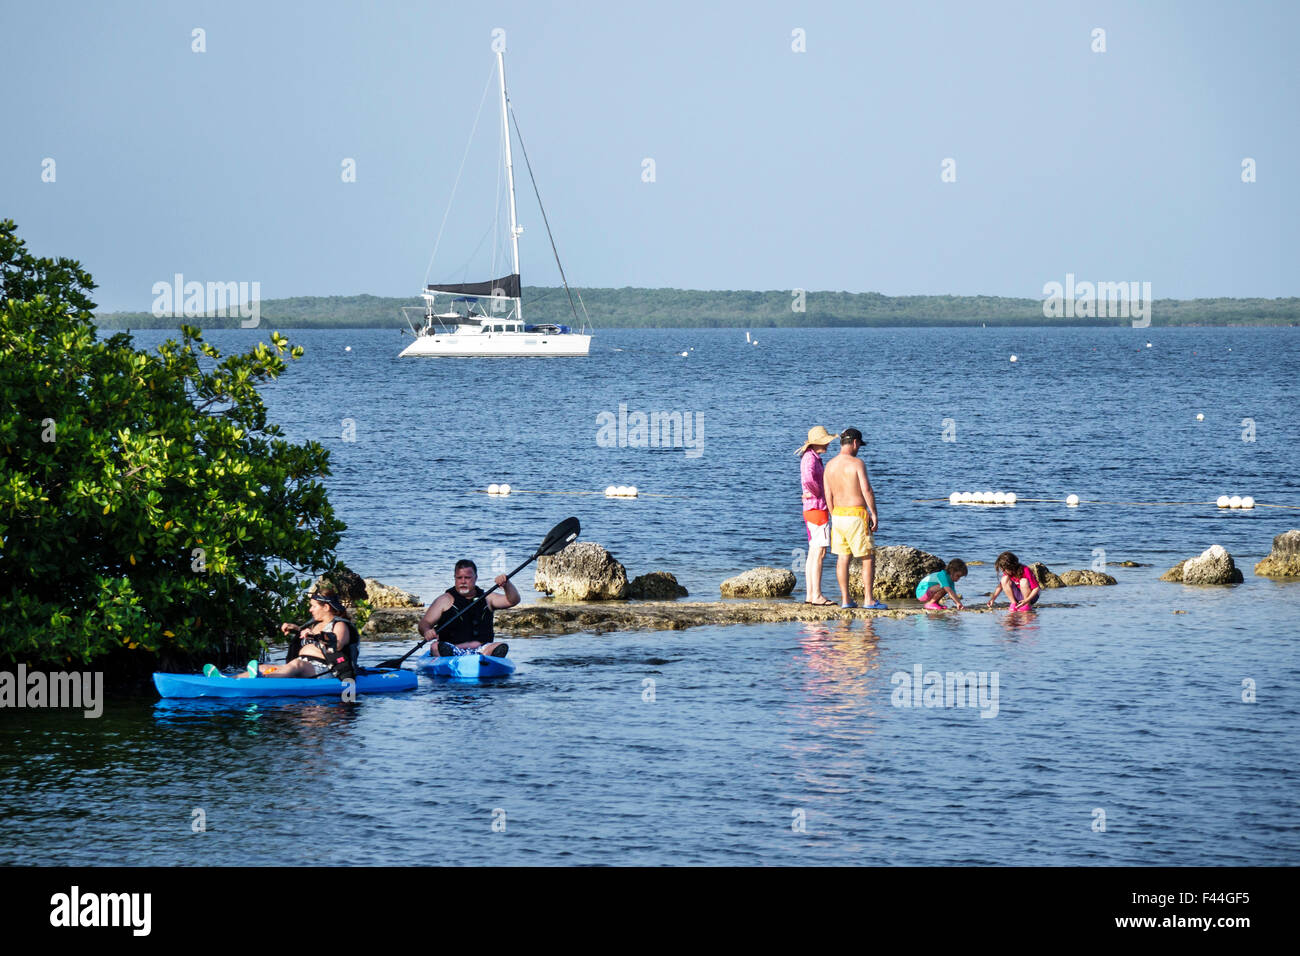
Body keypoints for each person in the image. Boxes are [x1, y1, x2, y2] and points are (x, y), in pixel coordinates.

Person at [205, 588, 358, 679]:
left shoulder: (340, 625)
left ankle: (259, 680)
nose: (310, 610)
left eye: (313, 606)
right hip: (306, 665)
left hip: (327, 669)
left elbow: (336, 644)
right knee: (264, 666)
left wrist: (311, 636)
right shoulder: (315, 625)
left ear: (326, 607)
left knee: (297, 664)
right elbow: (309, 635)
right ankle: (229, 680)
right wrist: (297, 630)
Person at [823, 427, 886, 609]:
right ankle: (868, 599)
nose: (859, 449)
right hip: (856, 514)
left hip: (838, 515)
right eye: (859, 445)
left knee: (843, 558)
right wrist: (874, 513)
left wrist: (833, 513)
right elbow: (866, 490)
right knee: (867, 557)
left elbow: (827, 493)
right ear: (855, 443)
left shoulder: (830, 465)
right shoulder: (857, 463)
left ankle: (845, 599)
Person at [418, 559, 519, 657]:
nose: (463, 581)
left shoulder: (488, 598)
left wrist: (507, 584)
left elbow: (512, 601)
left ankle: (485, 660)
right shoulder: (444, 600)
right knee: (435, 646)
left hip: (482, 650)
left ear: (475, 578)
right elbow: (425, 623)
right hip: (452, 650)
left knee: (500, 646)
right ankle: (447, 659)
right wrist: (427, 631)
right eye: (459, 577)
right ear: (455, 578)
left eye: (467, 577)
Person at [796, 425, 837, 606]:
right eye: (826, 441)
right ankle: (816, 595)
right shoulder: (810, 459)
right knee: (819, 552)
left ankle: (811, 594)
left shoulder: (812, 457)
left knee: (814, 551)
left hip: (813, 508)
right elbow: (808, 480)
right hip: (817, 508)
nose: (828, 444)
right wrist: (819, 493)